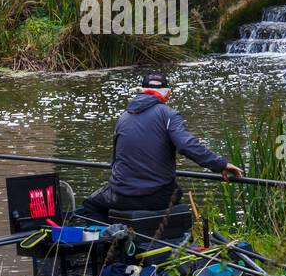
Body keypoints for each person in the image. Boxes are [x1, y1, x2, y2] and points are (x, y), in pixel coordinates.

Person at [79, 71, 243, 220]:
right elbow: (186, 145)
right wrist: (220, 164)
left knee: (90, 206)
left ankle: (110, 244)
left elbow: (114, 160)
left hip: (121, 195)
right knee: (175, 192)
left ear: (140, 91)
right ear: (167, 95)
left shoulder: (123, 117)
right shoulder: (168, 114)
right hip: (157, 197)